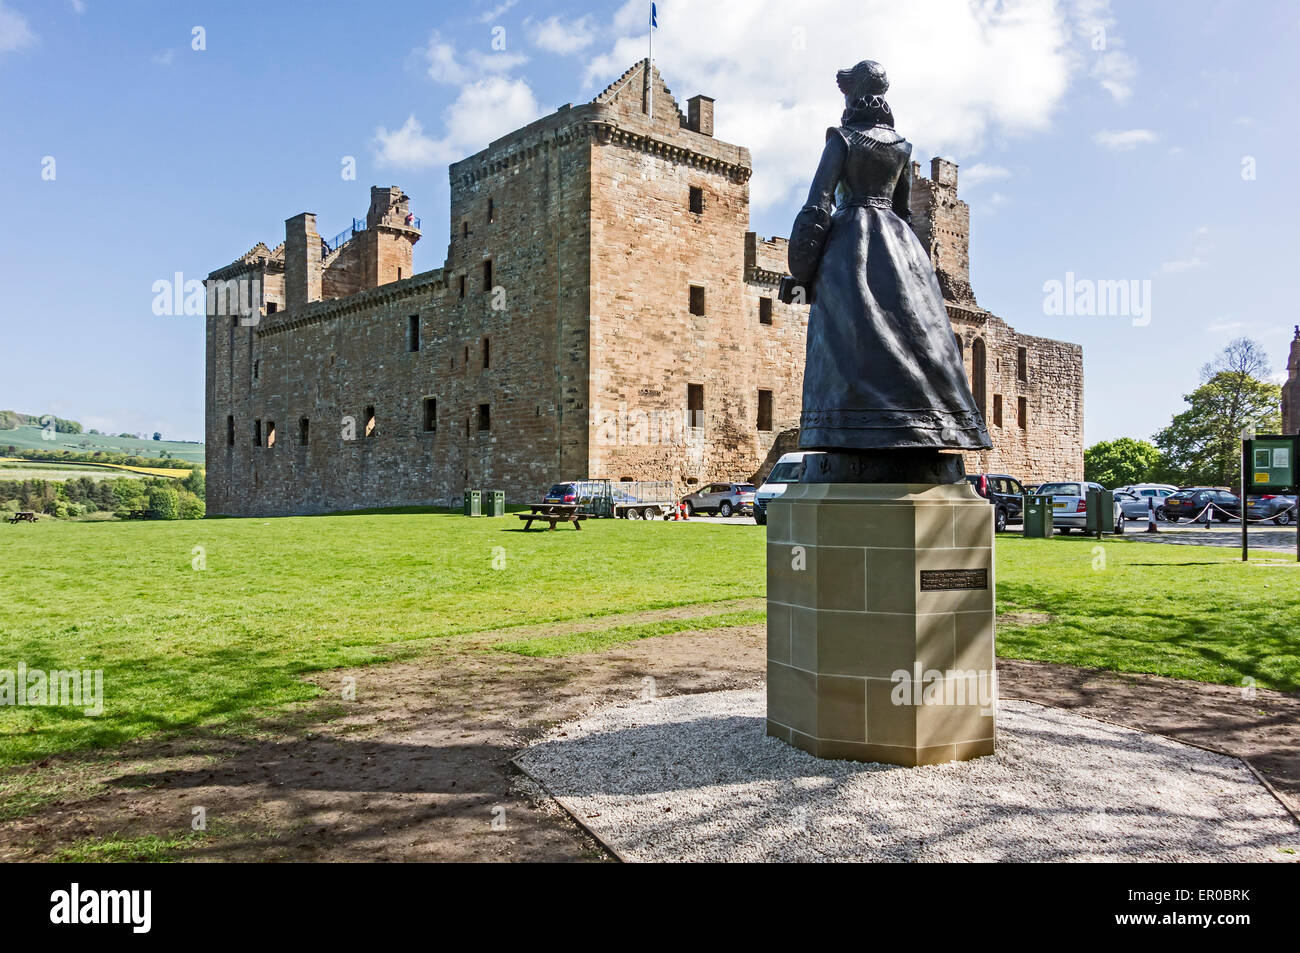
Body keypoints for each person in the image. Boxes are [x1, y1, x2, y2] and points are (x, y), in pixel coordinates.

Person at [790, 60, 991, 453]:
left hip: (850, 241)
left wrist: (802, 272)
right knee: (912, 333)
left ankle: (852, 428)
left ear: (853, 95)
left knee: (848, 341)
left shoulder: (842, 139)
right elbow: (904, 211)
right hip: (899, 245)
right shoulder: (902, 147)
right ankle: (927, 425)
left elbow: (818, 206)